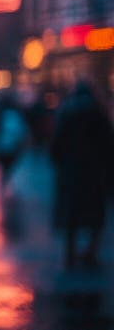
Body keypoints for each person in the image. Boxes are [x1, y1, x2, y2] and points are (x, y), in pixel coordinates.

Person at [50, 83, 113, 268]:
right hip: (94, 174)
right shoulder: (99, 115)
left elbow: (56, 147)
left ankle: (70, 253)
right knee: (95, 216)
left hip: (71, 173)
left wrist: (61, 164)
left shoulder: (67, 114)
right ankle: (91, 252)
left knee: (72, 215)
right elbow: (109, 147)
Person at [0, 95, 28, 193]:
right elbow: (21, 131)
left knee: (4, 165)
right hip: (11, 146)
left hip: (2, 146)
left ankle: (4, 179)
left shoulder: (0, 115)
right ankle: (5, 179)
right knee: (8, 166)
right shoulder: (16, 116)